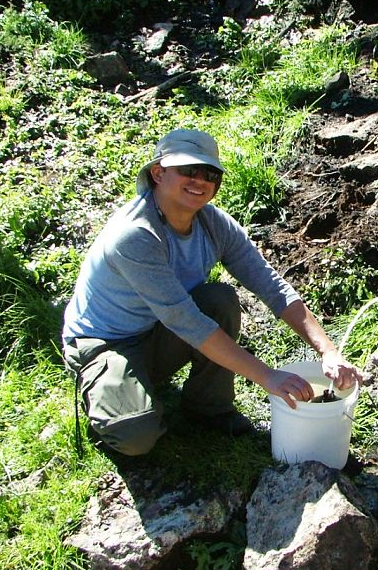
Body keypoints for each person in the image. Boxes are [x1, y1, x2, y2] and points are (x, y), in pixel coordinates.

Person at [62, 129, 359, 456]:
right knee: (136, 436)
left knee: (219, 300)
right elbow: (186, 320)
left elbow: (269, 284)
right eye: (189, 170)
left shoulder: (214, 224)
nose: (200, 180)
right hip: (108, 342)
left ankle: (208, 406)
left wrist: (327, 350)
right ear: (158, 173)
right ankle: (107, 397)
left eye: (210, 174)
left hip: (159, 329)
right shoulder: (135, 236)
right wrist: (268, 376)